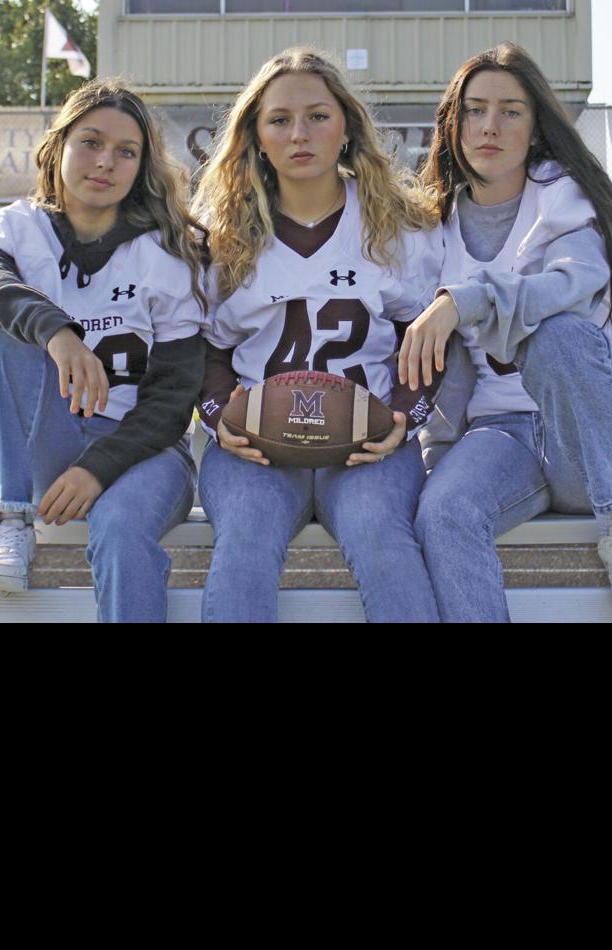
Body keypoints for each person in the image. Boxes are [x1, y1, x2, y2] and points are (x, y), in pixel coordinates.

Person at [399, 43, 612, 620]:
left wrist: (466, 300)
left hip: (593, 446)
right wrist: (438, 458)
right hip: (499, 436)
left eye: (510, 110)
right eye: (476, 110)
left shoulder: (565, 198)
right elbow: (440, 367)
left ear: (535, 128)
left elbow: (571, 285)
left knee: (556, 333)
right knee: (444, 512)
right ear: (453, 124)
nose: (490, 126)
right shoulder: (434, 224)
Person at [192, 47, 447, 622]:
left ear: (348, 129)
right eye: (279, 120)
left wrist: (403, 415)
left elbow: (426, 337)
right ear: (256, 136)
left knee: (382, 538)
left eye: (318, 116)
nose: (299, 134)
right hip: (256, 447)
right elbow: (203, 348)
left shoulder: (399, 226)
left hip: (368, 443)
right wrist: (218, 417)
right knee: (245, 543)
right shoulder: (222, 237)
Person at [0, 79, 211, 622]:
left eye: (126, 152)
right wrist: (57, 333)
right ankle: (10, 517)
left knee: (122, 529)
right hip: (43, 444)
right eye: (91, 142)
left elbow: (172, 398)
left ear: (142, 166)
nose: (105, 163)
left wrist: (98, 468)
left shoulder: (165, 253)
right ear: (58, 148)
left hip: (142, 453)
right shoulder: (15, 227)